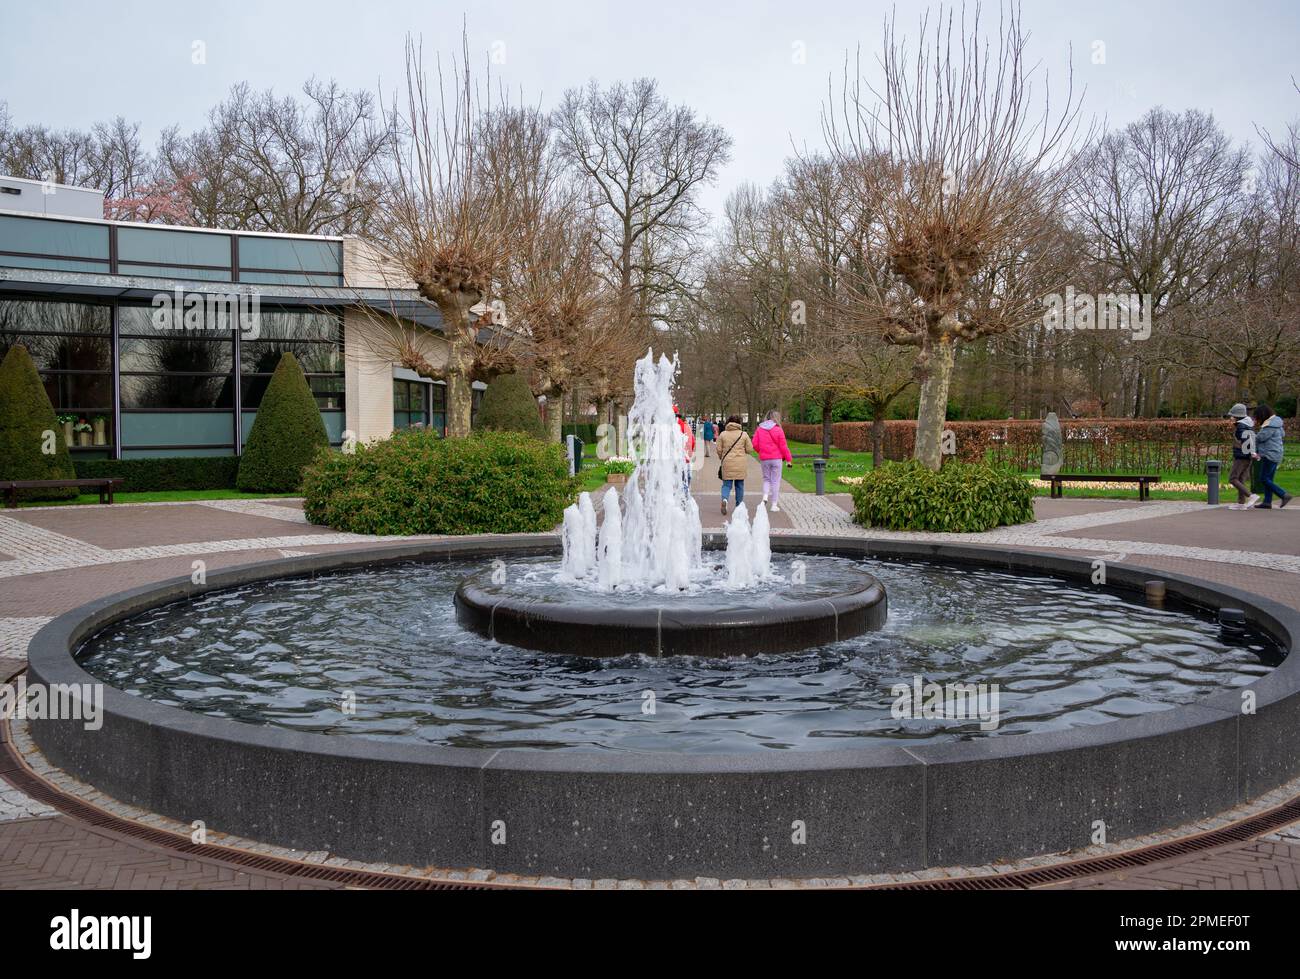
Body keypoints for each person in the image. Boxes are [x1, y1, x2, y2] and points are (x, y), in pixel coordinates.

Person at [1250, 404, 1292, 509]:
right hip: (1276, 453)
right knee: (1269, 479)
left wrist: (1252, 432)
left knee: (1263, 479)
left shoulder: (1269, 425)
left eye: (1257, 416)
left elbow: (1260, 438)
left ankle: (1283, 495)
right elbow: (1283, 435)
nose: (1257, 419)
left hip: (1270, 454)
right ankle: (1267, 502)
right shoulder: (1277, 423)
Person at [752, 409, 794, 512]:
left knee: (766, 479)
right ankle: (774, 505)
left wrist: (760, 452)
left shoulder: (760, 429)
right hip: (776, 458)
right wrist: (788, 459)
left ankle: (765, 497)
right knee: (775, 481)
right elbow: (783, 446)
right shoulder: (778, 429)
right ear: (776, 418)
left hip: (764, 459)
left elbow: (754, 444)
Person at [1226, 403, 1260, 510]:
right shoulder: (1248, 424)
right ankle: (1241, 503)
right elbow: (1252, 439)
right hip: (1248, 456)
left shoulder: (1241, 426)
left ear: (1238, 416)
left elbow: (1246, 441)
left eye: (1233, 415)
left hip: (1242, 457)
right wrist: (1253, 453)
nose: (1231, 418)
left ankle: (1251, 496)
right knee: (1240, 479)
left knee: (1232, 478)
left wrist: (1249, 453)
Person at [715, 415, 752, 515]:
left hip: (727, 463)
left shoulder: (723, 434)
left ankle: (725, 500)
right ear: (739, 423)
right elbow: (749, 449)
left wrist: (721, 457)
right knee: (739, 485)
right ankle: (739, 506)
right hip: (740, 463)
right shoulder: (743, 434)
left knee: (726, 485)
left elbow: (718, 449)